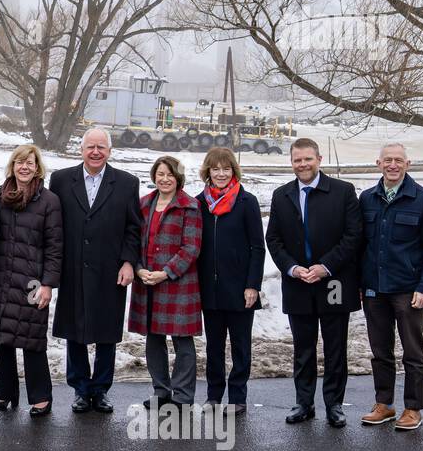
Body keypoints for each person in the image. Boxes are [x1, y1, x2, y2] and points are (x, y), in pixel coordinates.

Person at [265, 138, 362, 427]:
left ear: (319, 159)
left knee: (335, 348)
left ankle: (334, 404)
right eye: (297, 160)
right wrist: (292, 268)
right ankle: (303, 403)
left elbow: (353, 236)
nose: (303, 164)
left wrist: (326, 266)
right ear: (291, 162)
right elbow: (274, 239)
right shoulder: (282, 195)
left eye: (308, 159)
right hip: (298, 282)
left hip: (333, 282)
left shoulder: (343, 191)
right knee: (303, 348)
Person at [49, 126, 141, 414]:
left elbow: (133, 228)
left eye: (102, 147)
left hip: (109, 269)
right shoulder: (62, 180)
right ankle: (79, 389)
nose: (96, 151)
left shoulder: (126, 182)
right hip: (72, 268)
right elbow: (53, 225)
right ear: (82, 149)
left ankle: (100, 390)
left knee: (106, 332)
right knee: (75, 331)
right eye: (91, 146)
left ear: (109, 151)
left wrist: (128, 262)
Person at [357, 143, 423, 431]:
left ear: (408, 164)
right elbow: (360, 245)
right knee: (380, 351)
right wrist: (360, 283)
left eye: (398, 160)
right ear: (378, 163)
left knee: (413, 352)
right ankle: (384, 404)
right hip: (374, 289)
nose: (392, 165)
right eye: (387, 160)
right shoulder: (367, 199)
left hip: (408, 290)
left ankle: (412, 408)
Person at [0, 145, 63, 415]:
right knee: (2, 337)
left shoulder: (48, 200)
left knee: (32, 340)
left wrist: (48, 284)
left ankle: (41, 396)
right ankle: (7, 393)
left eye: (30, 162)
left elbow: (55, 246)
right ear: (13, 166)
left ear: (37, 167)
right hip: (2, 277)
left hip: (32, 281)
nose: (25, 167)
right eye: (20, 162)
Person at [129, 156, 203, 409]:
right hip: (146, 282)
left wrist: (166, 272)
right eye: (160, 173)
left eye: (169, 174)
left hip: (177, 284)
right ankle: (161, 391)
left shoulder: (189, 206)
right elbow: (133, 241)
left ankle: (182, 396)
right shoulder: (144, 204)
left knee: (182, 341)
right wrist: (138, 269)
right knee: (153, 338)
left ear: (178, 177)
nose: (164, 179)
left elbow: (191, 248)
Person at [196, 148, 265, 414]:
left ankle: (237, 398)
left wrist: (253, 285)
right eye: (216, 169)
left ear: (233, 171)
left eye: (226, 169)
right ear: (208, 172)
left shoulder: (246, 201)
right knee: (213, 347)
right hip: (209, 289)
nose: (221, 174)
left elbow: (257, 247)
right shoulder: (199, 202)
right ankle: (214, 396)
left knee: (240, 347)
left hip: (240, 289)